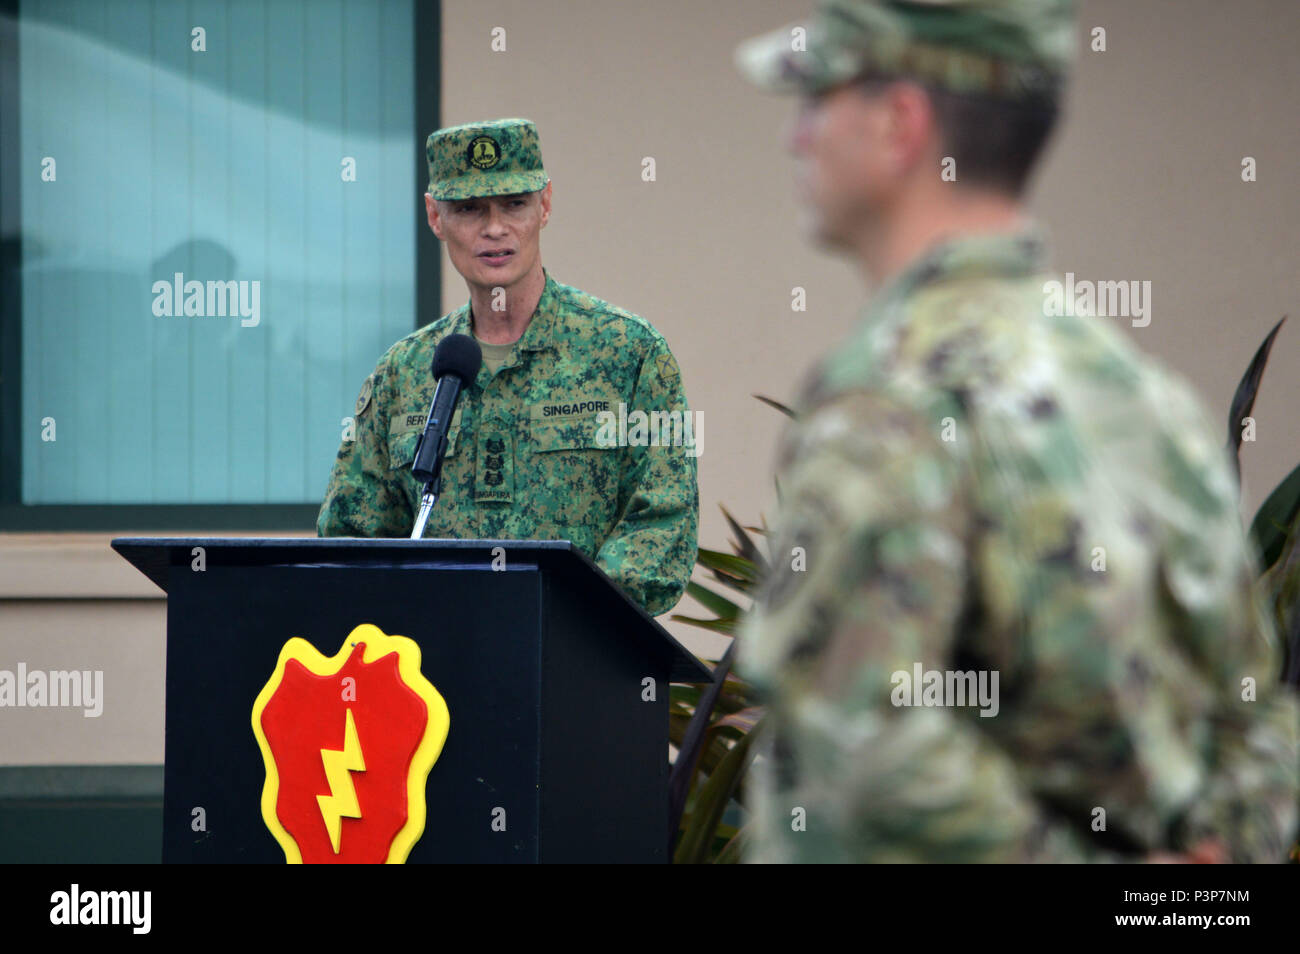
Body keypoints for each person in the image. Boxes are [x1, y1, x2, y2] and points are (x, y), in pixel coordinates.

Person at [732, 0, 1299, 862]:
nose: (794, 136)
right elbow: (1257, 721)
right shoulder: (1149, 402)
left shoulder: (891, 401)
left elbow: (859, 749)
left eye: (817, 97)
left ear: (899, 124)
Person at [317, 118, 698, 618]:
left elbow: (662, 522)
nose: (494, 228)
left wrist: (557, 617)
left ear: (546, 204)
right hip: (433, 673)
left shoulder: (629, 353)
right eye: (469, 208)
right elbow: (352, 537)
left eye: (514, 204)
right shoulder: (403, 373)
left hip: (579, 664)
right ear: (435, 216)